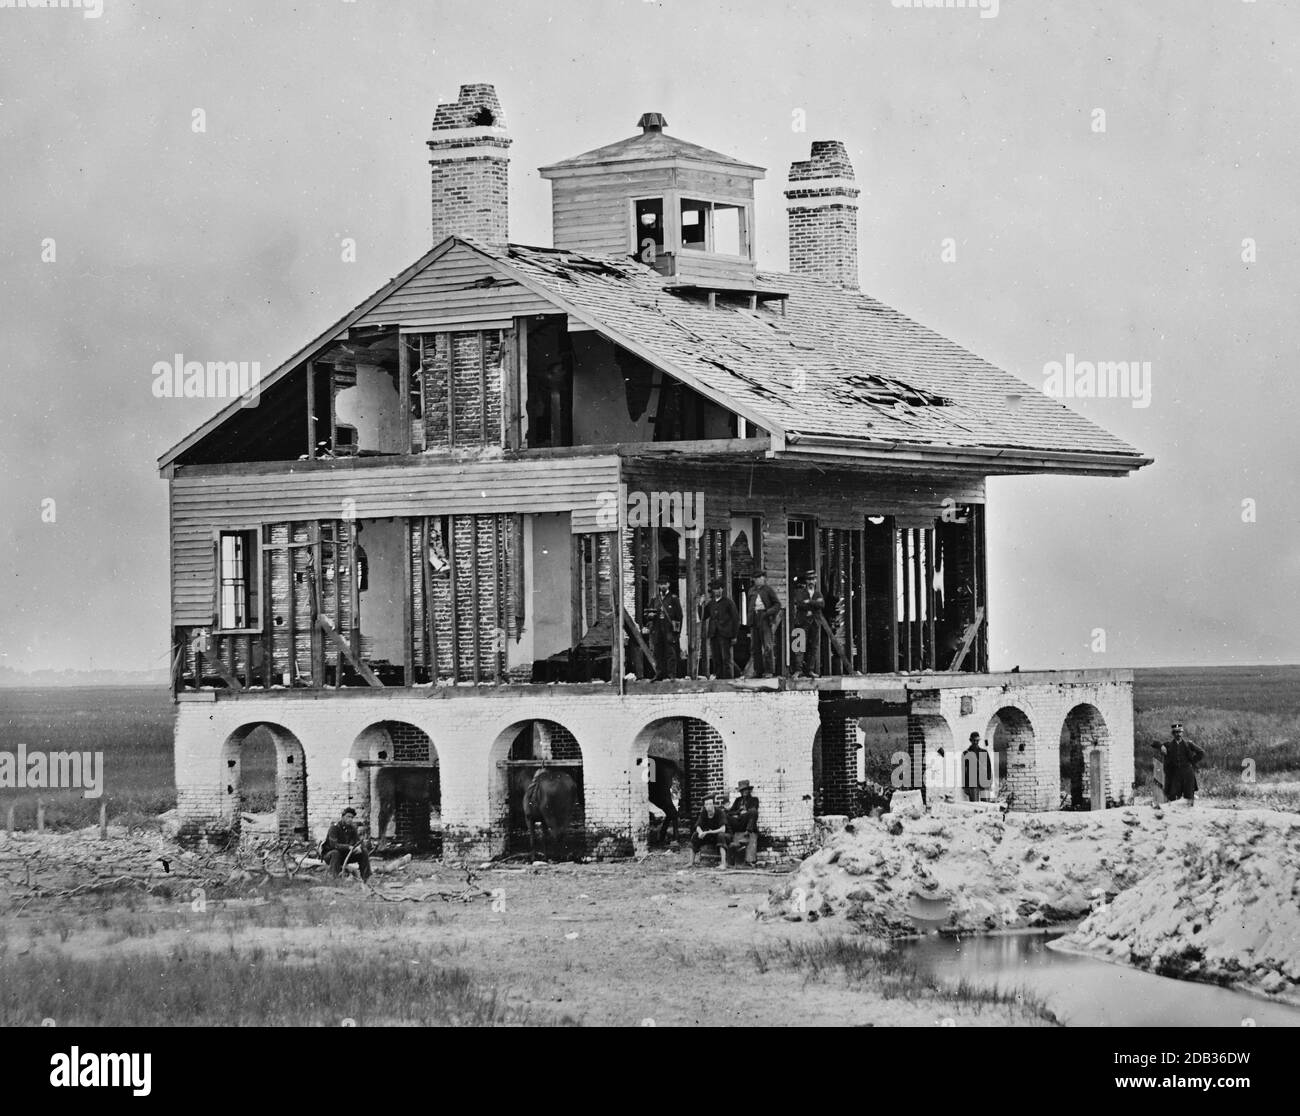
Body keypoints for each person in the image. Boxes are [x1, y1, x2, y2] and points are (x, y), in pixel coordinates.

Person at [641, 576, 683, 681]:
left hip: (669, 630)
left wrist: (677, 633)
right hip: (657, 630)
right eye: (660, 584)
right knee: (658, 653)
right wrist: (650, 616)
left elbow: (679, 616)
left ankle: (672, 675)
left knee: (670, 653)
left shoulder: (673, 599)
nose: (662, 586)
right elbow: (647, 614)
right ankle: (659, 674)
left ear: (668, 584)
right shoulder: (655, 600)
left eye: (664, 583)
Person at [1154, 722, 1204, 805]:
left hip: (1188, 774)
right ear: (1173, 734)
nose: (1178, 734)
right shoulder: (1168, 745)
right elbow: (1153, 743)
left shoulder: (1188, 744)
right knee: (1173, 798)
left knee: (1189, 798)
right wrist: (1160, 746)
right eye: (1176, 732)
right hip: (1175, 775)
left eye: (1180, 732)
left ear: (1182, 733)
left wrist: (1191, 762)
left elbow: (1201, 752)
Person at [701, 577, 740, 679]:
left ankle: (728, 679)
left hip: (725, 634)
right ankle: (719, 678)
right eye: (715, 589)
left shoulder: (728, 602)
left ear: (722, 589)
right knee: (716, 658)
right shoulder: (711, 603)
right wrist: (701, 605)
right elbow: (703, 616)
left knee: (726, 659)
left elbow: (736, 619)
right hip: (714, 634)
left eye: (719, 588)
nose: (717, 591)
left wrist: (734, 636)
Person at [747, 569, 781, 678]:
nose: (760, 580)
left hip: (765, 618)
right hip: (754, 618)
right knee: (755, 647)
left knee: (767, 646)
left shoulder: (768, 590)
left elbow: (777, 604)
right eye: (757, 578)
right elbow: (749, 606)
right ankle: (758, 671)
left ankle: (769, 671)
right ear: (754, 580)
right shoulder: (751, 591)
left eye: (761, 577)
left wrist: (768, 613)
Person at [791, 569, 825, 678]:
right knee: (799, 646)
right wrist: (814, 604)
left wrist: (809, 602)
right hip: (802, 623)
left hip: (814, 623)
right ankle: (798, 670)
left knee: (813, 647)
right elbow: (800, 604)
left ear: (815, 581)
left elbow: (822, 605)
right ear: (806, 581)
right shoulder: (800, 592)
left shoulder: (818, 593)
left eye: (813, 579)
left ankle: (810, 670)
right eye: (809, 579)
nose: (811, 581)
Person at [323, 806, 371, 881]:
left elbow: (358, 842)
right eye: (348, 816)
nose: (350, 819)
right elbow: (334, 845)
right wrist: (348, 847)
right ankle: (333, 879)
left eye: (352, 817)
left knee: (364, 852)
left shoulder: (352, 828)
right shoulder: (334, 828)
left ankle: (367, 878)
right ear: (342, 817)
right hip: (330, 855)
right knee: (336, 853)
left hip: (345, 855)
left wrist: (359, 848)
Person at [726, 779, 760, 867]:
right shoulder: (737, 800)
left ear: (749, 790)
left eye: (746, 790)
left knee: (753, 812)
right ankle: (729, 835)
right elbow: (730, 812)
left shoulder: (754, 799)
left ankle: (747, 833)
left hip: (747, 822)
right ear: (740, 792)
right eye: (742, 790)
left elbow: (754, 809)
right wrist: (738, 812)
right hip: (738, 822)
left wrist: (746, 811)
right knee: (725, 816)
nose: (744, 792)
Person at [689, 795, 729, 867]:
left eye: (710, 804)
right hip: (710, 836)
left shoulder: (720, 812)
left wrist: (708, 832)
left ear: (713, 804)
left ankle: (723, 864)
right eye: (707, 804)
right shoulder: (703, 813)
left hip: (724, 836)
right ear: (704, 806)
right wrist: (700, 832)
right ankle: (691, 862)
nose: (709, 806)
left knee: (721, 836)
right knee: (695, 835)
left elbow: (723, 829)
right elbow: (698, 826)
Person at [962, 732, 992, 802]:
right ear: (970, 740)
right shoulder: (966, 753)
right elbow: (964, 770)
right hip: (972, 782)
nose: (975, 742)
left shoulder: (984, 752)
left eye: (977, 740)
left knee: (986, 803)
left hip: (984, 781)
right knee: (974, 804)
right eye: (974, 740)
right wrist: (965, 786)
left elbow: (989, 767)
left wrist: (989, 781)